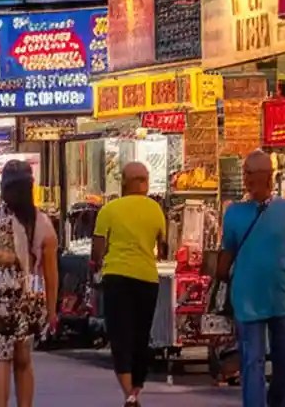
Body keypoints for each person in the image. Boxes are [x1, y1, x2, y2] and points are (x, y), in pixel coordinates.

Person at [216, 149, 285, 407]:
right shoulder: (234, 213)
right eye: (244, 173)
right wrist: (220, 274)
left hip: (283, 297)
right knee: (252, 361)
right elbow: (227, 254)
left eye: (250, 173)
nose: (246, 179)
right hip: (248, 299)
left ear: (267, 177)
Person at [0, 160, 58, 407]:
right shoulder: (43, 223)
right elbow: (50, 272)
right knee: (23, 360)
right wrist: (52, 310)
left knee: (0, 358)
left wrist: (0, 261)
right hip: (29, 295)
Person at [91, 161, 167, 406]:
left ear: (123, 181)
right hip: (147, 278)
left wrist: (99, 265)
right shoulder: (156, 210)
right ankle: (136, 389)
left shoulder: (109, 210)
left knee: (120, 335)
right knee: (141, 336)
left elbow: (97, 250)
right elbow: (163, 246)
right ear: (143, 182)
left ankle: (128, 394)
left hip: (117, 277)